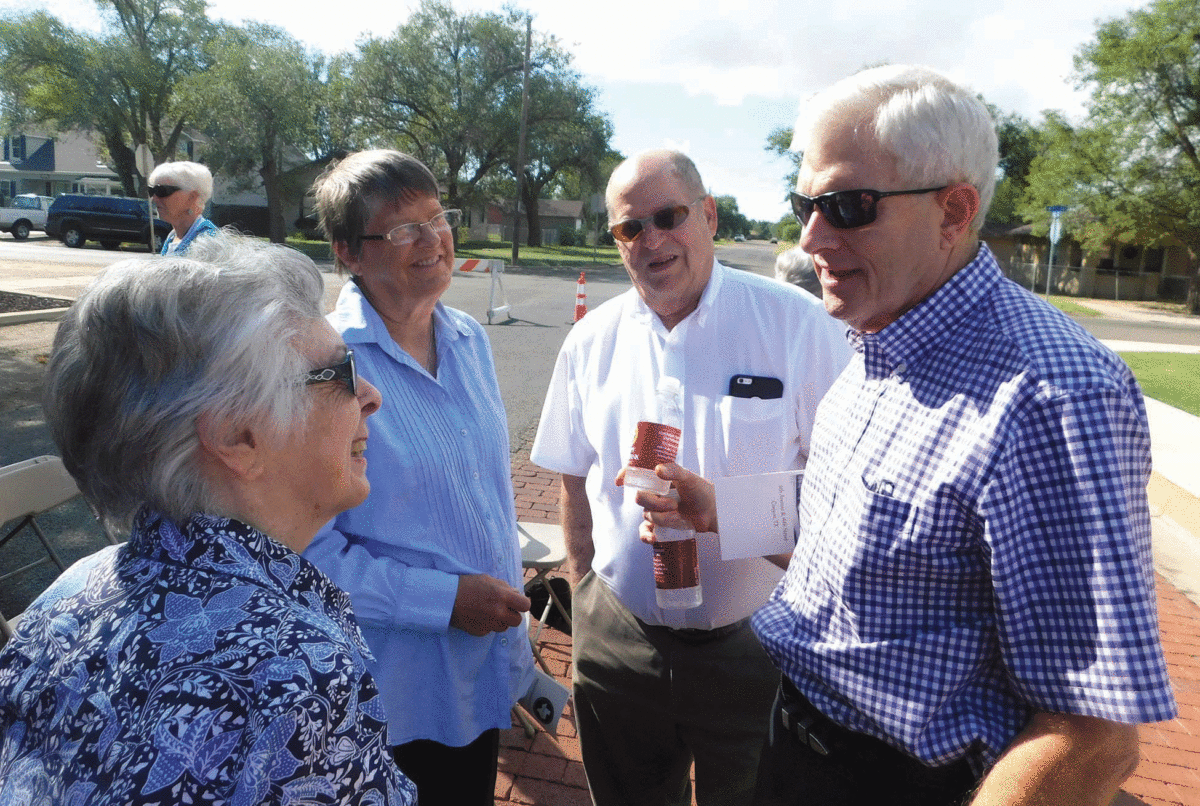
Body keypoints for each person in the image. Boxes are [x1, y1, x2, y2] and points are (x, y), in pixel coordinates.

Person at [658, 64, 1176, 806]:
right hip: (794, 744)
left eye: (846, 205)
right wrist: (717, 507)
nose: (810, 237)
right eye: (804, 203)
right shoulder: (879, 335)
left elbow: (1092, 736)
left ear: (954, 210)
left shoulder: (1053, 395)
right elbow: (858, 522)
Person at [0, 233, 415, 805]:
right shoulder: (297, 677)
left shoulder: (69, 593)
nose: (370, 396)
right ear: (235, 437)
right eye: (339, 373)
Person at [530, 149, 850, 805]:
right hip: (621, 640)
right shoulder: (591, 342)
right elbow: (573, 482)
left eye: (668, 216)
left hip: (758, 648)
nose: (651, 239)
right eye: (629, 227)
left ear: (707, 215)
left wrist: (725, 509)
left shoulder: (800, 326)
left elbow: (848, 498)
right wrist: (584, 601)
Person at [302, 149, 535, 805]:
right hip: (391, 695)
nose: (433, 239)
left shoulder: (468, 338)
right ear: (349, 252)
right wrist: (445, 601)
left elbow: (485, 497)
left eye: (437, 218)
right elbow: (308, 553)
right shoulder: (325, 364)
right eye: (404, 228)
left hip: (479, 667)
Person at [148, 160, 219, 254]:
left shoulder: (208, 242)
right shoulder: (173, 237)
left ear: (191, 197)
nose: (154, 198)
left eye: (162, 191)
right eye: (152, 191)